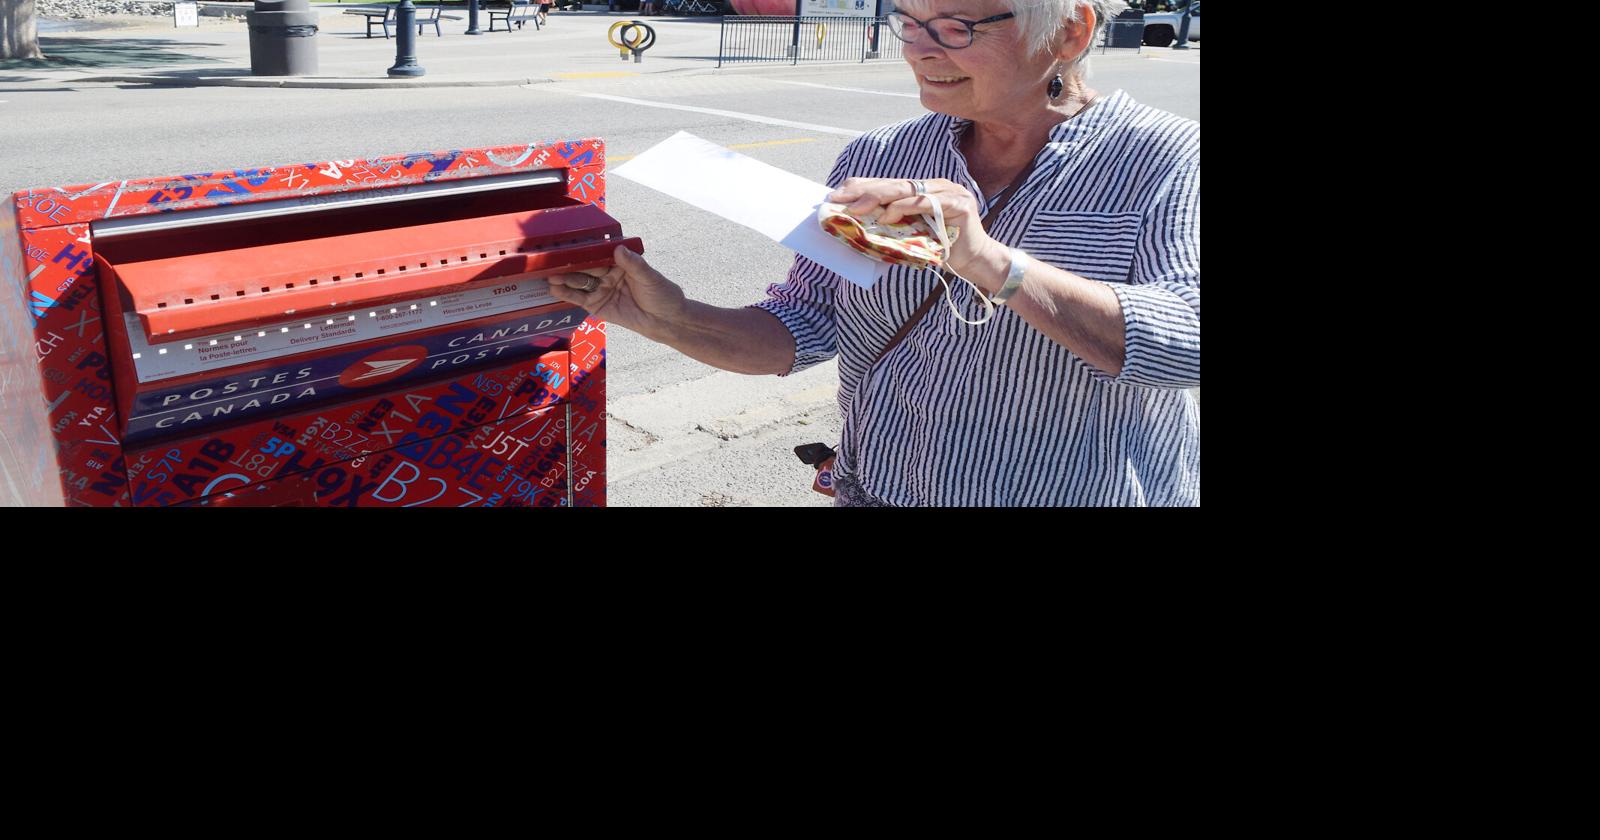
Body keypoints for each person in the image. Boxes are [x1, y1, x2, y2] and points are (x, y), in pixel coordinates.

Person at [548, 0, 1200, 506]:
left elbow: (1188, 345)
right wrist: (669, 316)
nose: (919, 50)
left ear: (1070, 31)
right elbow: (806, 326)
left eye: (952, 27)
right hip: (877, 488)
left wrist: (989, 263)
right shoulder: (879, 157)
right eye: (908, 22)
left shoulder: (1168, 159)